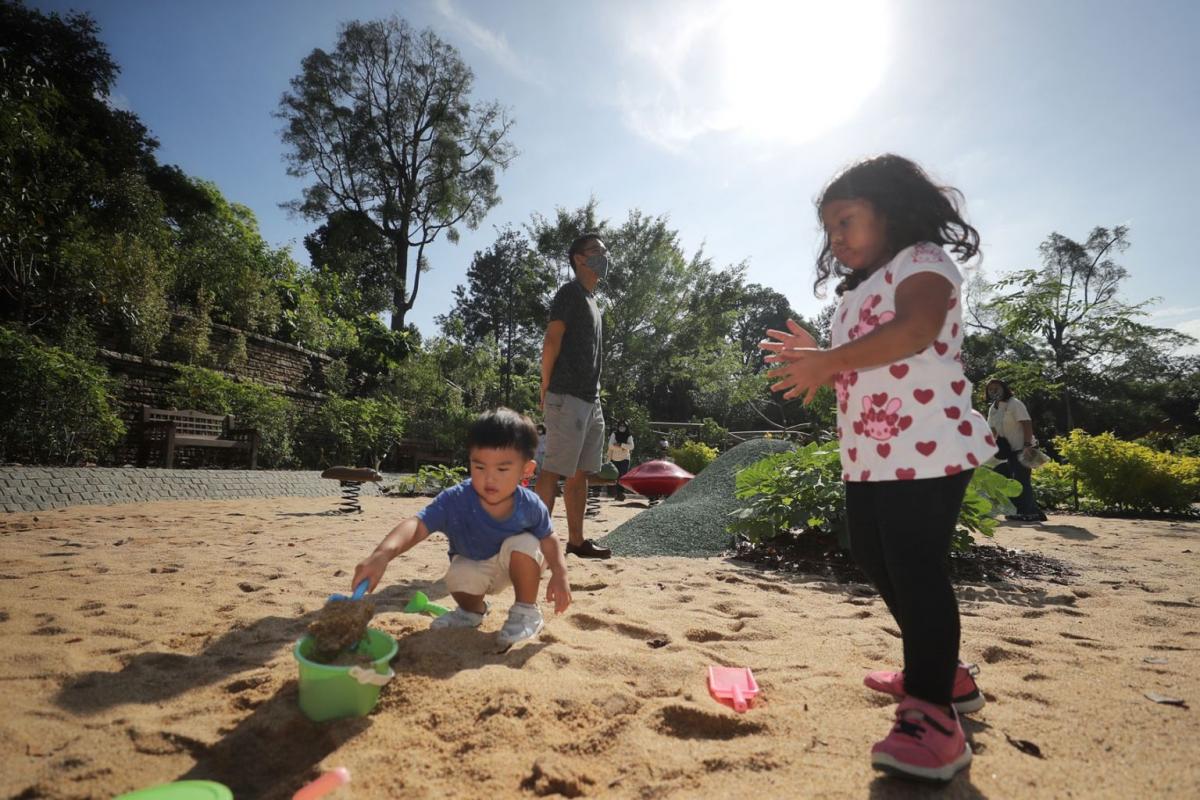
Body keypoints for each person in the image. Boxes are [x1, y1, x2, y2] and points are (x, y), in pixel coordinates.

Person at [762, 154, 997, 783]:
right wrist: (820, 360)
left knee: (916, 566)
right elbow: (860, 359)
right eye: (828, 229)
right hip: (872, 453)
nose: (835, 238)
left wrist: (829, 360)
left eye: (846, 220)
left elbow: (917, 329)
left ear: (890, 212)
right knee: (872, 554)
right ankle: (939, 667)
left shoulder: (922, 262)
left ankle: (933, 717)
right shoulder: (857, 290)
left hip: (931, 445)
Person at [350, 408, 571, 647]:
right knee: (458, 572)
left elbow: (549, 537)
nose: (489, 478)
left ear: (526, 470)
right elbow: (417, 525)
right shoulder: (456, 500)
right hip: (477, 565)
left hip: (519, 565)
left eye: (502, 469)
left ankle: (526, 611)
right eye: (479, 467)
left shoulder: (529, 504)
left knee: (525, 543)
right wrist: (383, 554)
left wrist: (560, 573)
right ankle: (472, 612)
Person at [535, 233, 612, 559]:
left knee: (582, 472)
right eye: (596, 251)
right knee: (553, 469)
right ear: (579, 258)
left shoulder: (593, 301)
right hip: (566, 396)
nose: (603, 257)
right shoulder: (569, 293)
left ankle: (576, 542)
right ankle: (533, 542)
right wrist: (545, 385)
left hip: (590, 400)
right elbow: (552, 340)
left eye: (604, 251)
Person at [985, 379, 1046, 522]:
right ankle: (1032, 511)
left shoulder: (1014, 403)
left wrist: (1027, 445)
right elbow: (992, 430)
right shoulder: (993, 408)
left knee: (1021, 480)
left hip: (1023, 447)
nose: (994, 391)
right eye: (990, 389)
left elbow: (1026, 423)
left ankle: (1027, 512)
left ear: (1004, 388)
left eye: (997, 387)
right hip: (1006, 451)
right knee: (1004, 477)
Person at [607, 420, 634, 500]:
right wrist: (624, 447)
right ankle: (614, 493)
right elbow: (610, 446)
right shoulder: (614, 434)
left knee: (622, 476)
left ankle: (621, 493)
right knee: (614, 476)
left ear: (626, 427)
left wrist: (620, 445)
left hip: (625, 458)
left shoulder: (629, 436)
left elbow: (631, 447)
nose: (622, 427)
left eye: (624, 426)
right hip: (614, 458)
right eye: (620, 426)